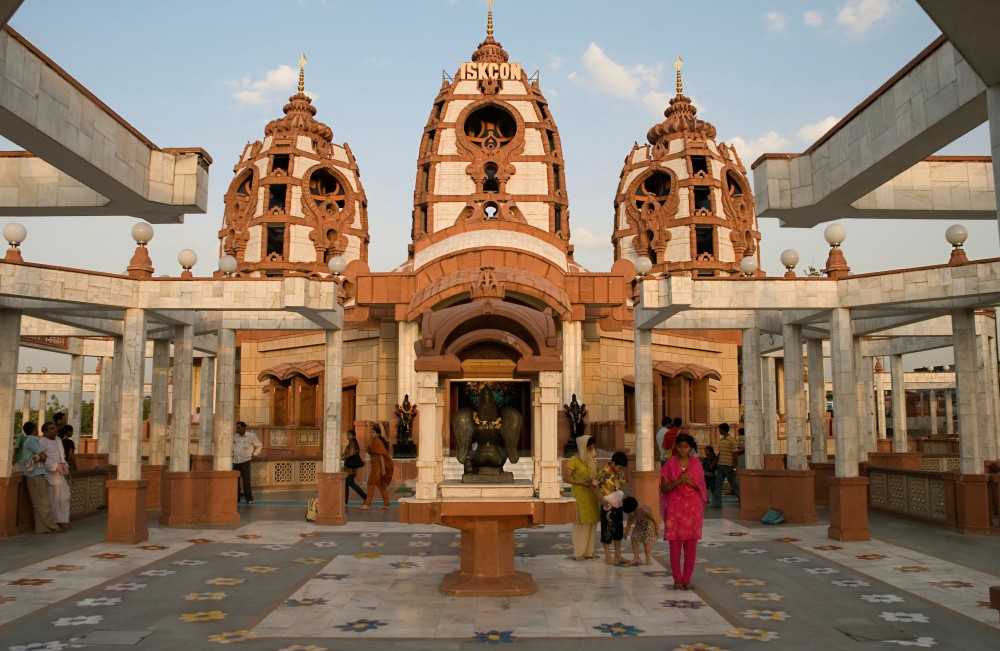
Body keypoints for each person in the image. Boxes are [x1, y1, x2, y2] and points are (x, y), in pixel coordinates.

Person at [660, 433, 708, 590]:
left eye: (686, 447)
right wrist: (678, 481)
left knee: (691, 546)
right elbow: (664, 488)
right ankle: (677, 580)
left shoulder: (696, 464)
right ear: (676, 447)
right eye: (680, 447)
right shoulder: (669, 464)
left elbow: (701, 487)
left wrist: (691, 483)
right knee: (675, 546)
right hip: (675, 507)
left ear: (690, 448)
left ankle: (687, 579)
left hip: (692, 508)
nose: (683, 450)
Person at [563, 434, 600, 560]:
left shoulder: (592, 460)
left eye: (592, 448)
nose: (591, 450)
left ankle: (589, 552)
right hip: (580, 494)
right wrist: (581, 482)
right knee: (580, 524)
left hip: (592, 494)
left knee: (592, 522)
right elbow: (566, 477)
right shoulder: (574, 460)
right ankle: (579, 552)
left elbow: (598, 474)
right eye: (589, 448)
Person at [18, 422, 60, 534]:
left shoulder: (29, 440)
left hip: (34, 474)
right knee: (44, 502)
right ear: (33, 430)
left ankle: (42, 528)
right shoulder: (32, 440)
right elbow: (43, 456)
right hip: (35, 474)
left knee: (39, 503)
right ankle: (52, 526)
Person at [597, 450, 629, 565]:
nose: (621, 470)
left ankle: (618, 556)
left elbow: (621, 485)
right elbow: (594, 486)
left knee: (618, 530)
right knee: (607, 530)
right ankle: (608, 556)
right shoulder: (602, 472)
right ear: (613, 463)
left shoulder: (619, 473)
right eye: (619, 468)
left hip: (618, 504)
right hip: (607, 505)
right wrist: (601, 499)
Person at [40, 422, 71, 530]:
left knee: (65, 496)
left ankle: (63, 519)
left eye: (55, 428)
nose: (55, 430)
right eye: (52, 428)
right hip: (50, 474)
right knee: (53, 498)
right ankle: (55, 521)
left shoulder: (58, 440)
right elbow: (42, 458)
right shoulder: (42, 442)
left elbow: (61, 455)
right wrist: (54, 466)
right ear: (45, 431)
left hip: (61, 473)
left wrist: (64, 465)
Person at [361, 424, 393, 510]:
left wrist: (383, 469)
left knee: (370, 484)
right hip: (374, 467)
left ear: (378, 434)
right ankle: (387, 504)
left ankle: (367, 504)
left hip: (377, 468)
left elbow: (382, 456)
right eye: (371, 432)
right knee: (381, 486)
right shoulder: (373, 442)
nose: (371, 434)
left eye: (373, 432)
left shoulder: (378, 442)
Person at [622, 496, 659, 566]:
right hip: (639, 524)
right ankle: (636, 558)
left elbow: (653, 518)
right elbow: (630, 520)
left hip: (648, 524)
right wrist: (626, 531)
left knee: (646, 541)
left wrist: (657, 527)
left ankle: (648, 559)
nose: (630, 514)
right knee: (633, 538)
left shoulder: (643, 510)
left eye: (631, 512)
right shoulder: (630, 509)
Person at [233, 421, 262, 504]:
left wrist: (254, 454)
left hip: (245, 460)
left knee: (246, 480)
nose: (237, 429)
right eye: (236, 428)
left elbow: (259, 445)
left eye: (239, 427)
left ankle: (249, 498)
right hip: (235, 461)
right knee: (235, 481)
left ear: (244, 428)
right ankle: (236, 498)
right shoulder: (235, 437)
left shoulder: (251, 436)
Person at [713, 423, 740, 507]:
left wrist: (734, 468)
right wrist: (715, 462)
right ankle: (717, 504)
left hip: (729, 466)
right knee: (717, 485)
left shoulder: (732, 440)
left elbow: (735, 455)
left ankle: (743, 501)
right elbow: (720, 453)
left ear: (723, 430)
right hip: (721, 465)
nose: (719, 431)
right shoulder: (721, 441)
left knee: (734, 485)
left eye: (719, 429)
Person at [343, 429, 367, 504]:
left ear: (354, 436)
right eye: (347, 435)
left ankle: (365, 496)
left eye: (350, 435)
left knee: (351, 484)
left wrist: (344, 457)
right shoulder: (352, 443)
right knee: (346, 484)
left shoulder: (352, 443)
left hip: (350, 467)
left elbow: (351, 453)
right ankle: (344, 500)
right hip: (349, 467)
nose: (348, 436)